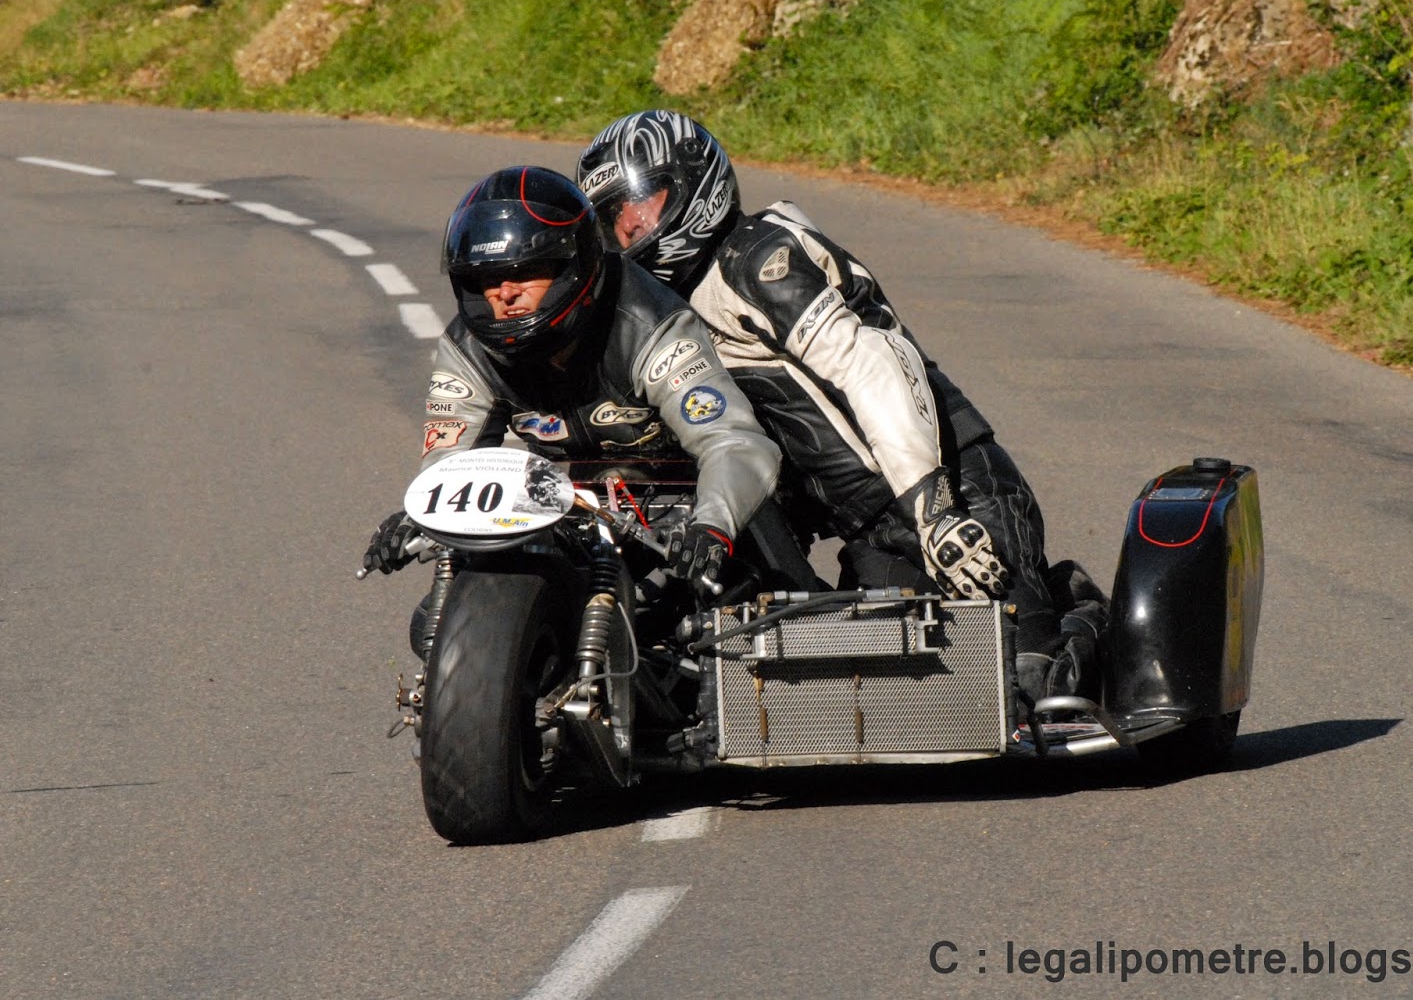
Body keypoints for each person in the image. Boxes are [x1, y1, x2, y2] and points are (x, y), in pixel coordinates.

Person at [575, 110, 1107, 708]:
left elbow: (872, 364)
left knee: (1030, 686)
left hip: (956, 488)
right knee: (897, 697)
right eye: (614, 217)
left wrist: (934, 512)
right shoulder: (665, 309)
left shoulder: (755, 258)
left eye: (644, 201)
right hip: (868, 528)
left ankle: (1078, 607)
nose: (631, 226)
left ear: (695, 185)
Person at [362, 165, 782, 606]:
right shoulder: (466, 348)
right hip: (563, 507)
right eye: (486, 278)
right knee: (436, 615)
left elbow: (732, 440)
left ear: (573, 267)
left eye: (526, 272)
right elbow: (449, 463)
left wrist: (712, 525)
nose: (505, 293)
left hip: (687, 510)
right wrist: (419, 516)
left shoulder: (651, 326)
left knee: (759, 580)